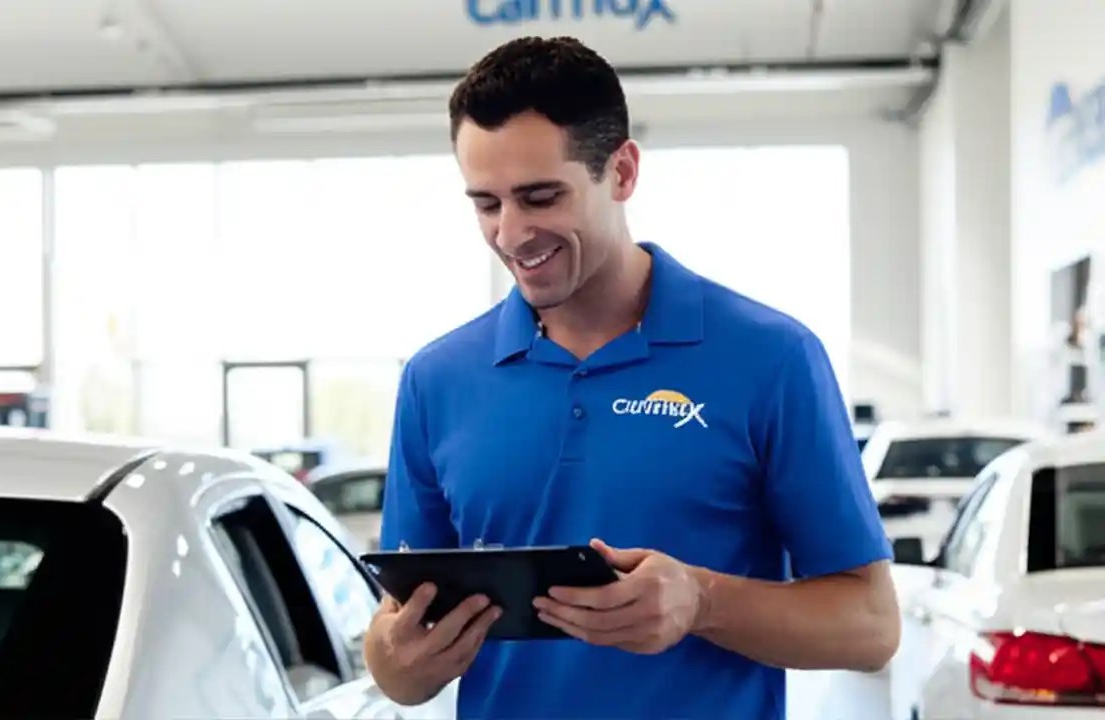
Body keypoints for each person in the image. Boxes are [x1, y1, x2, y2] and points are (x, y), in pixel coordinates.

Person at [362, 36, 900, 720]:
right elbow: (396, 660)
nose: (512, 234)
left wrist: (701, 601)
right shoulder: (436, 380)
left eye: (540, 196)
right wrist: (396, 660)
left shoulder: (772, 358)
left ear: (621, 172)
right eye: (487, 203)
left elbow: (872, 626)